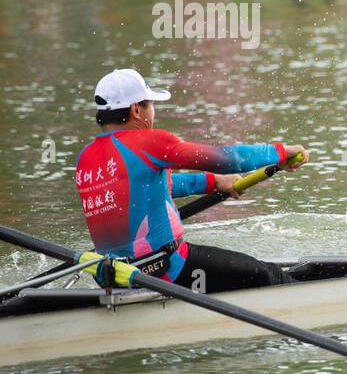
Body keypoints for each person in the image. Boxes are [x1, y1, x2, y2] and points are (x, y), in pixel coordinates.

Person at [76, 69, 309, 293]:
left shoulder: (86, 157)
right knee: (268, 275)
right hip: (166, 272)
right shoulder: (149, 142)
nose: (153, 112)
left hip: (114, 277)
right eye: (151, 104)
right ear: (137, 110)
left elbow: (151, 189)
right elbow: (228, 159)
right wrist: (280, 152)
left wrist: (214, 182)